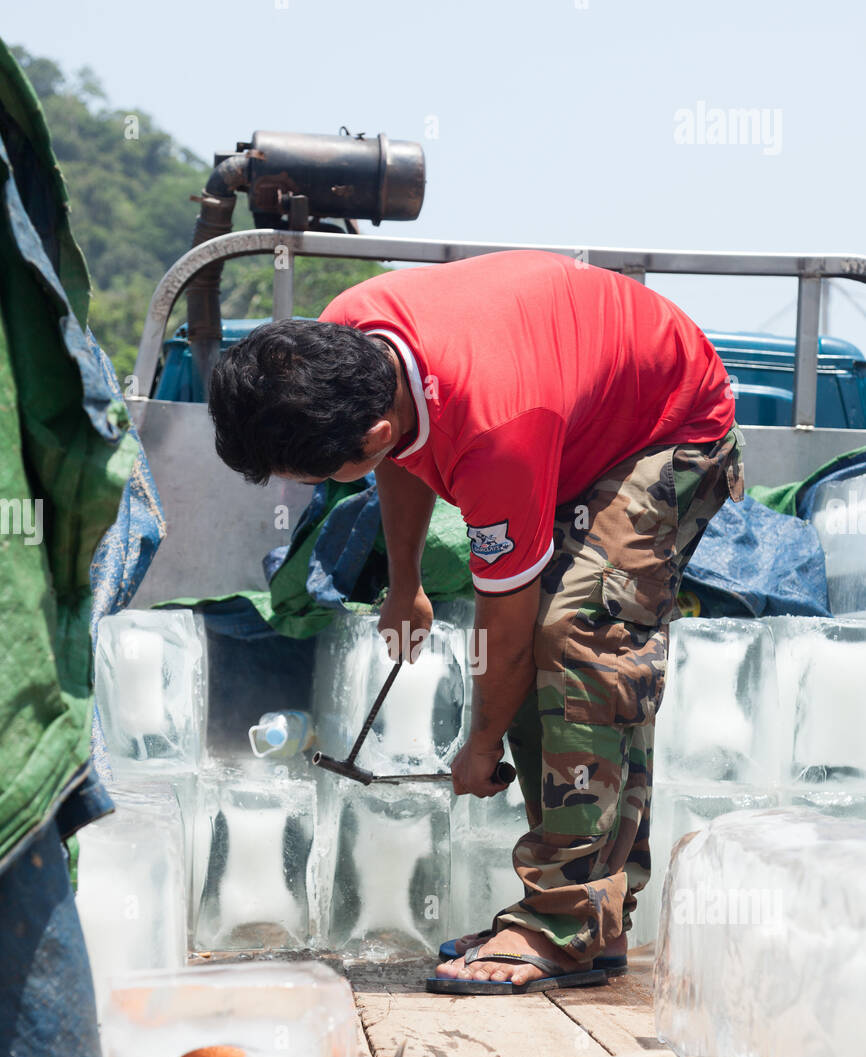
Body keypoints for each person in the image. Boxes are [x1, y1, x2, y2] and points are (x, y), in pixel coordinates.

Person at [208, 250, 742, 994]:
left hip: (668, 422)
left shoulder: (497, 436)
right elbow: (403, 455)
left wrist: (482, 741)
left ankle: (563, 921)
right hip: (570, 404)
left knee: (576, 634)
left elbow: (509, 623)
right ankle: (593, 913)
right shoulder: (349, 337)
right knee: (546, 648)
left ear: (370, 432)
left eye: (314, 477)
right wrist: (405, 586)